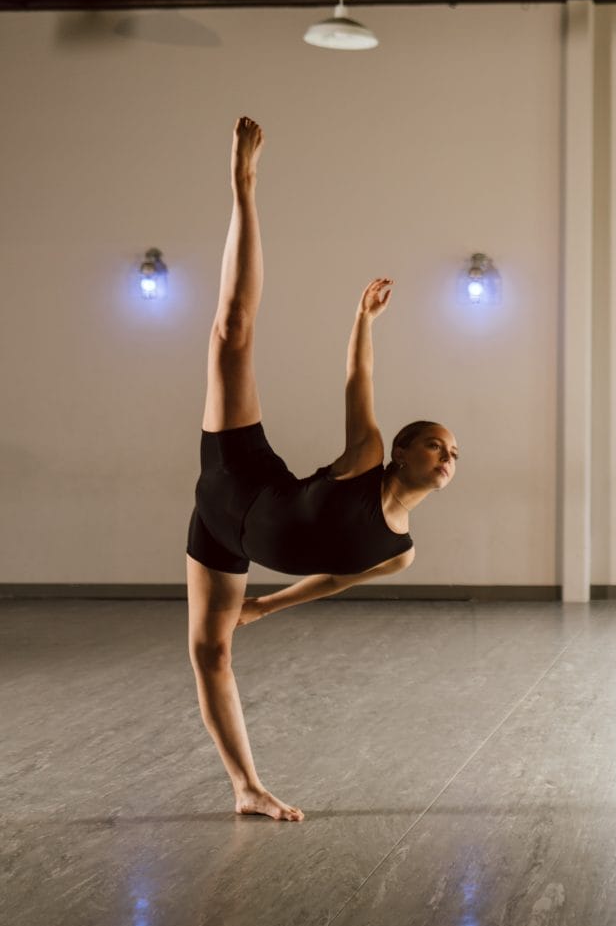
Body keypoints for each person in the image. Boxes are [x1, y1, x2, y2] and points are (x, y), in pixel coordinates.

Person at [185, 117, 458, 821]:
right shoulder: (366, 458)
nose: (447, 456)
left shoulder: (398, 553)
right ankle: (244, 186)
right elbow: (357, 380)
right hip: (240, 474)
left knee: (213, 654)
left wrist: (265, 607)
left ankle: (246, 788)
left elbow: (335, 580)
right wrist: (363, 319)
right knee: (232, 332)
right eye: (436, 444)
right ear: (402, 451)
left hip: (220, 536)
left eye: (454, 453)